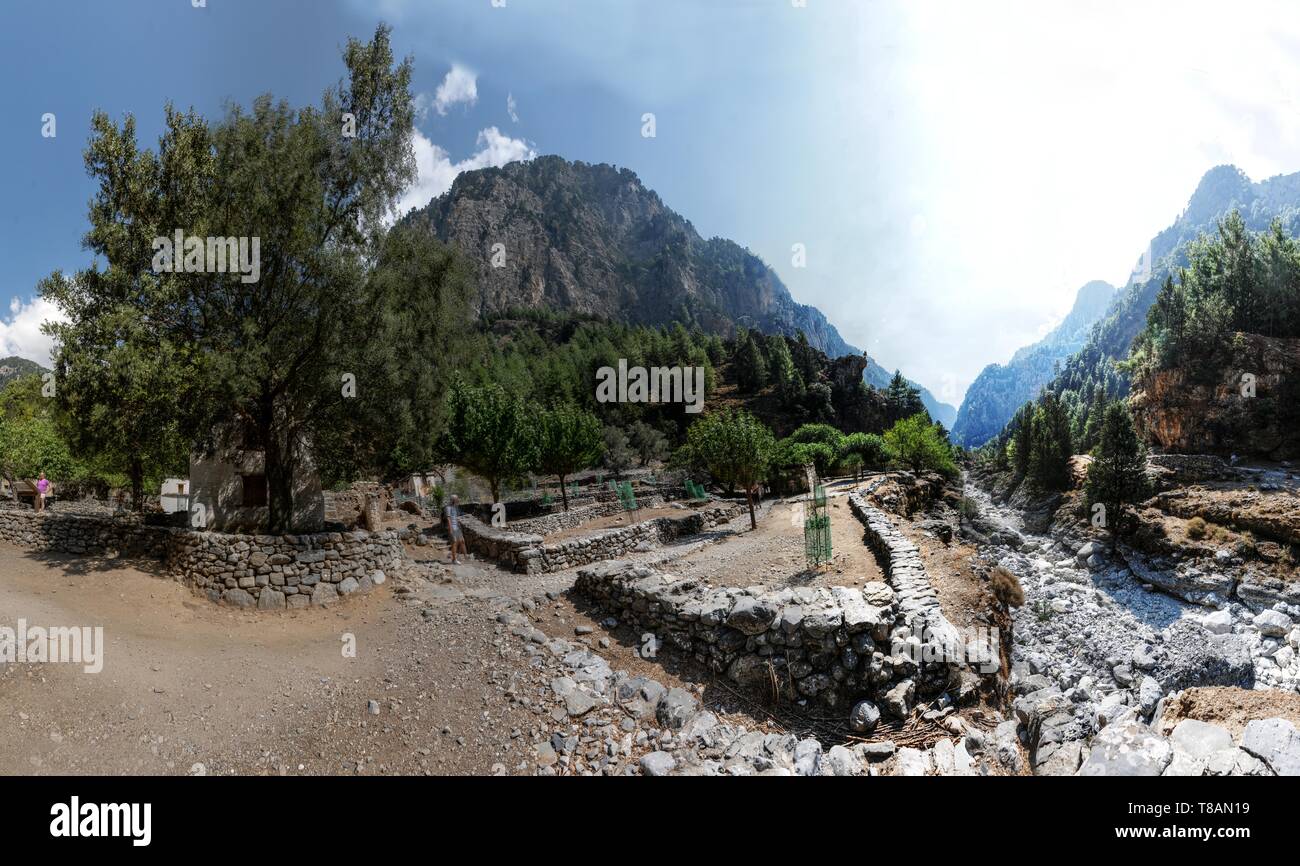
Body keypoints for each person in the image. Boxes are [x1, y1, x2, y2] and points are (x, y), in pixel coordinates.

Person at [443, 495, 467, 564]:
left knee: (462, 541)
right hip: (452, 527)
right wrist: (450, 529)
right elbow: (448, 518)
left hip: (457, 527)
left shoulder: (455, 507)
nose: (458, 500)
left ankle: (461, 556)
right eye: (457, 499)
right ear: (453, 500)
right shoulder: (448, 507)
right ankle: (454, 559)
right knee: (454, 543)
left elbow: (457, 516)